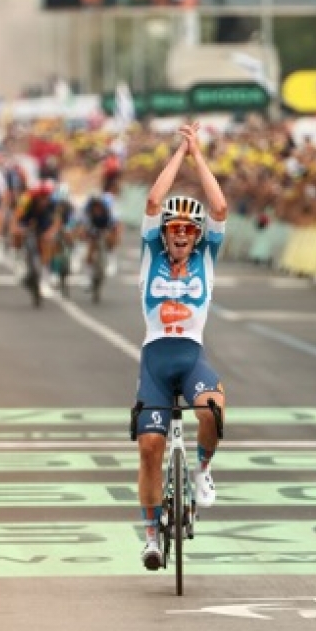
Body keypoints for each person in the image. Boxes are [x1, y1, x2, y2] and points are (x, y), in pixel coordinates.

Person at [134, 122, 227, 571]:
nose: (182, 235)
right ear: (165, 232)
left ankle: (202, 470)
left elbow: (220, 207)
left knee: (212, 410)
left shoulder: (206, 257)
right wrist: (178, 154)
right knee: (150, 447)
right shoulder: (150, 254)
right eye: (175, 228)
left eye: (190, 229)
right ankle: (151, 535)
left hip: (191, 355)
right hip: (155, 358)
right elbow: (154, 201)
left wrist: (198, 157)